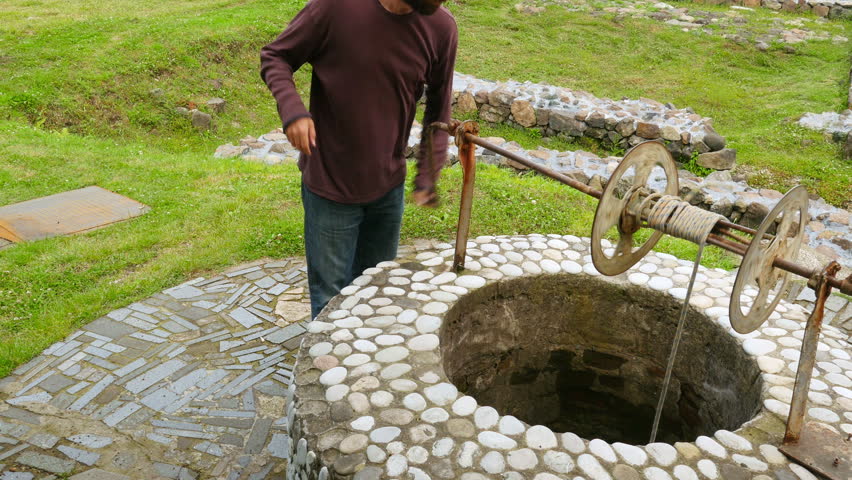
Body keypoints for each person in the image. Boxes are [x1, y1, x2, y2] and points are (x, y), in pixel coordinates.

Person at [260, 0, 458, 318]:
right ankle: (324, 368)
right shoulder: (334, 8)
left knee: (376, 294)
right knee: (330, 303)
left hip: (388, 187)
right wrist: (293, 111)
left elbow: (439, 111)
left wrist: (427, 175)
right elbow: (275, 56)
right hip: (329, 185)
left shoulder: (441, 27)